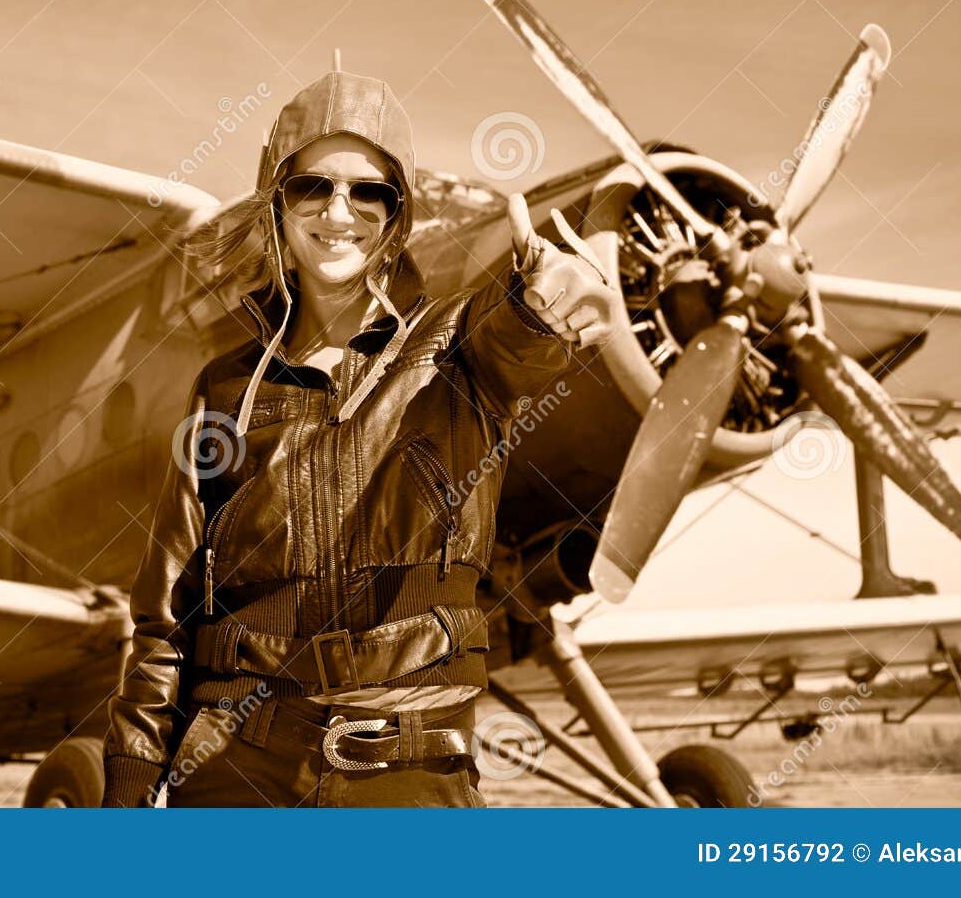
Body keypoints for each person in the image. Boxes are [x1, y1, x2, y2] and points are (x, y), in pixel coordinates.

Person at [100, 69, 619, 807]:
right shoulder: (222, 387)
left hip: (407, 773)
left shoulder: (460, 347)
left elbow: (519, 342)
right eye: (312, 185)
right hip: (232, 771)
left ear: (398, 213)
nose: (339, 211)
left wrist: (543, 304)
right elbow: (166, 615)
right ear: (276, 204)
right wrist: (129, 778)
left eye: (369, 190)